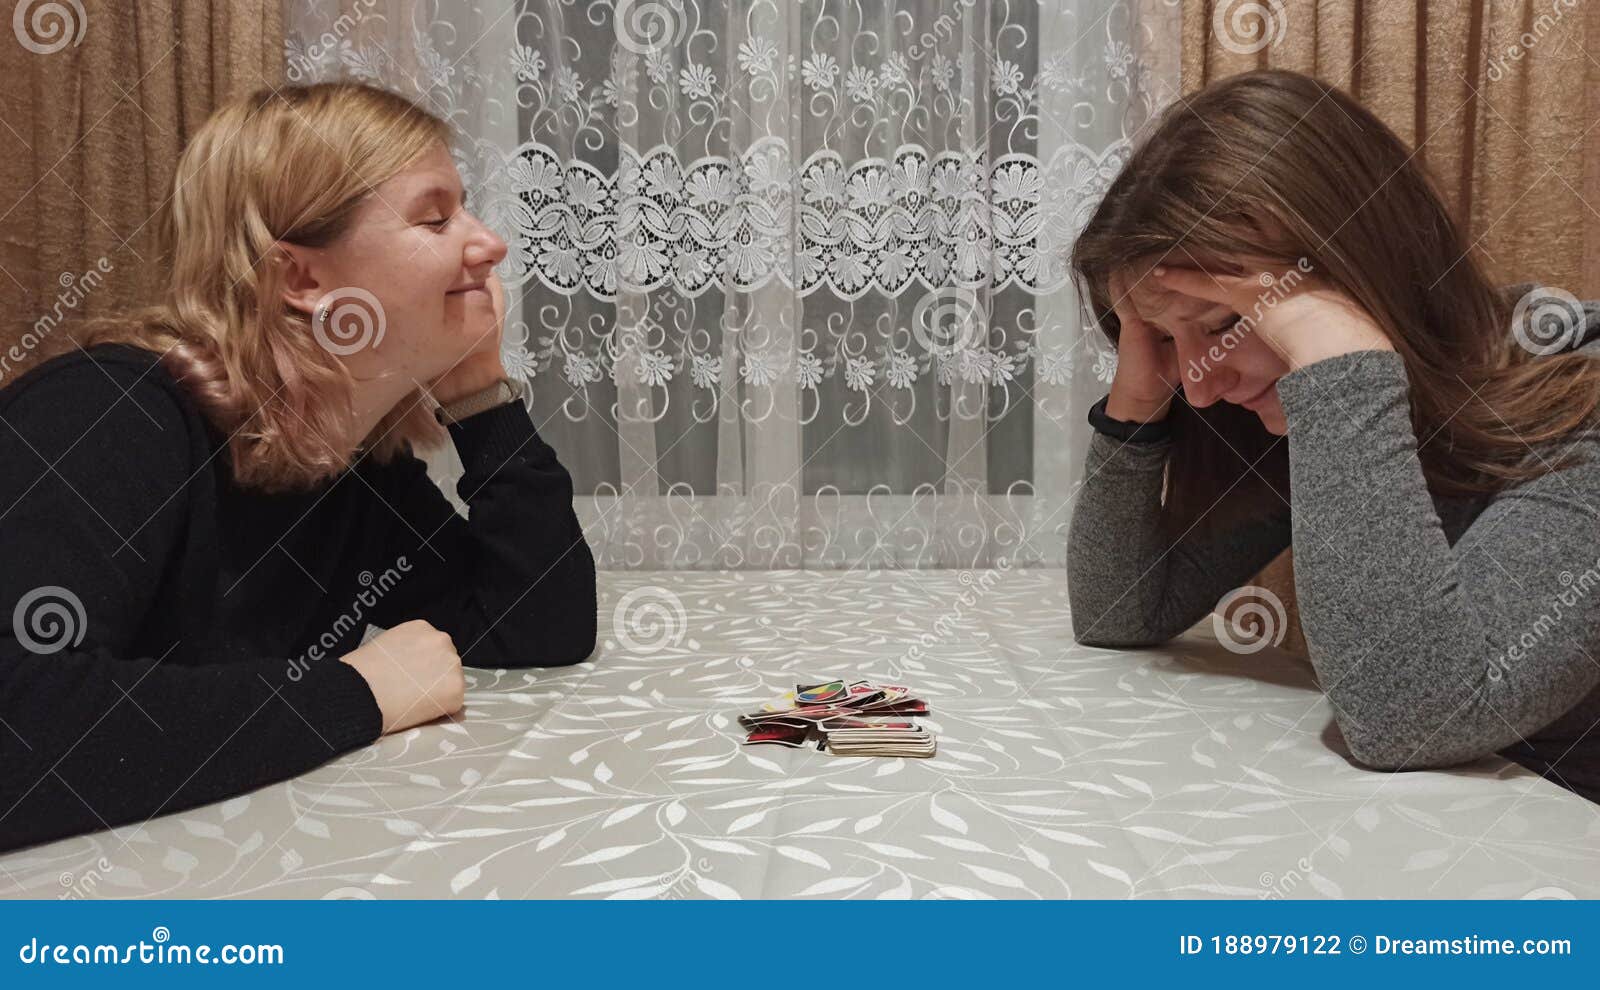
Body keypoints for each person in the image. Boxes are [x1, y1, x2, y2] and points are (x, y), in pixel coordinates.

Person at [0, 82, 597, 852]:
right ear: (302, 281)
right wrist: (356, 691)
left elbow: (534, 626)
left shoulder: (343, 459)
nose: (489, 245)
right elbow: (17, 722)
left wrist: (479, 397)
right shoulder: (109, 415)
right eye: (435, 218)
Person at [1065, 69, 1600, 802]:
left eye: (1224, 326)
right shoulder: (1310, 415)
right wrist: (1136, 389)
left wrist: (1339, 363)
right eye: (1162, 339)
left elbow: (1413, 720)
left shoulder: (1579, 401)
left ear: (1361, 270)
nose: (1198, 383)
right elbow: (1118, 610)